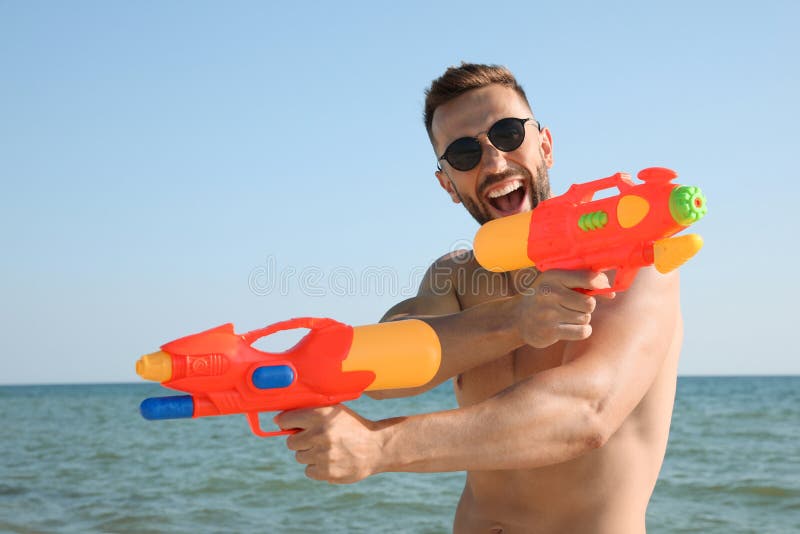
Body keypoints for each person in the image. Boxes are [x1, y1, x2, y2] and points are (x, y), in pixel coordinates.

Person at [275, 63, 683, 533]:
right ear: (448, 184)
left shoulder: (632, 255)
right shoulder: (453, 276)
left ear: (545, 146)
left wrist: (379, 447)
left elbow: (586, 413)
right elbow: (383, 378)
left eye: (508, 134)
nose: (492, 163)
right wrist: (517, 320)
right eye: (465, 153)